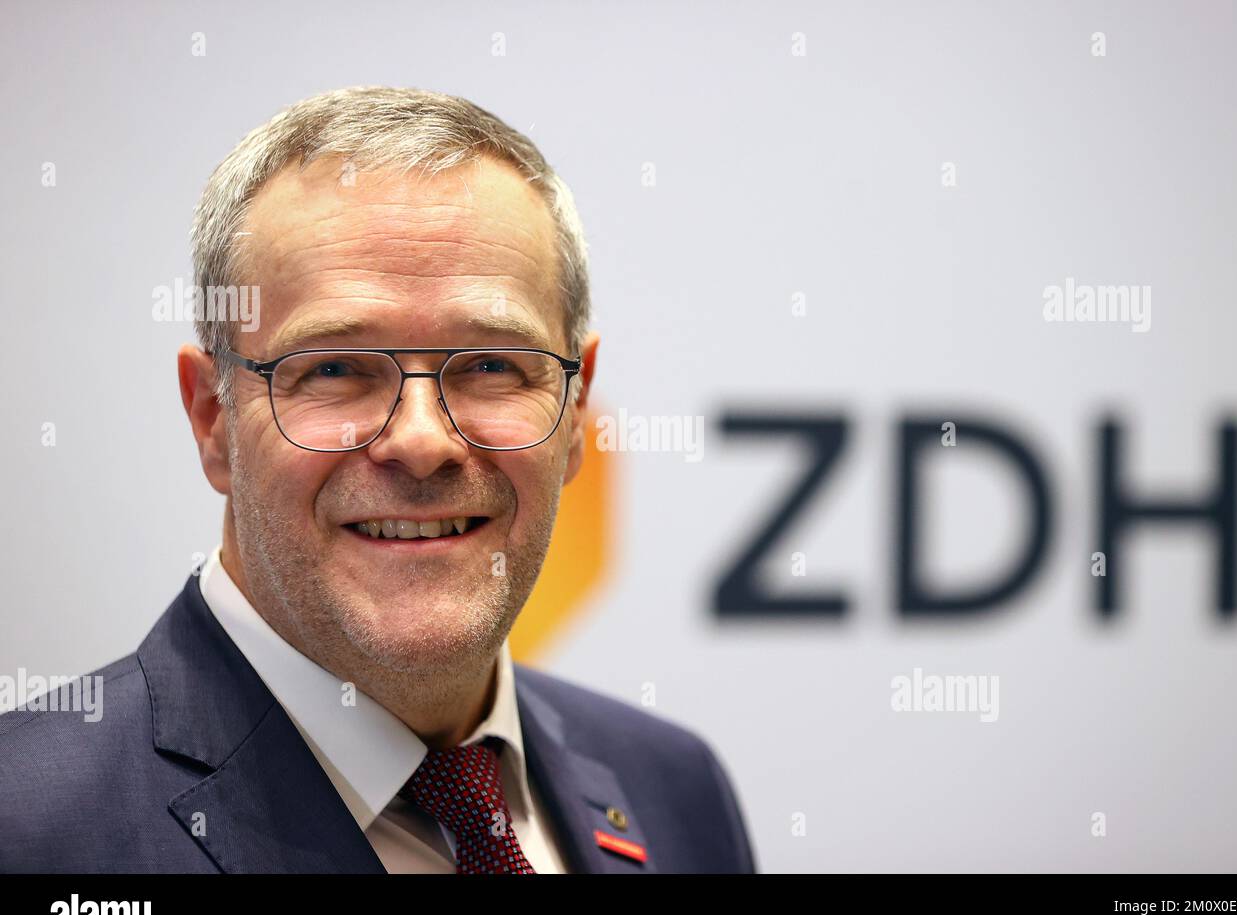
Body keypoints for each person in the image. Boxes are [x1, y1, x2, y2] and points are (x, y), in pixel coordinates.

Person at [0, 87, 756, 874]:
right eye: (333, 369)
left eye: (493, 364)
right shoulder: (26, 830)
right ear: (212, 418)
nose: (423, 441)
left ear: (574, 409)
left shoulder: (677, 794)